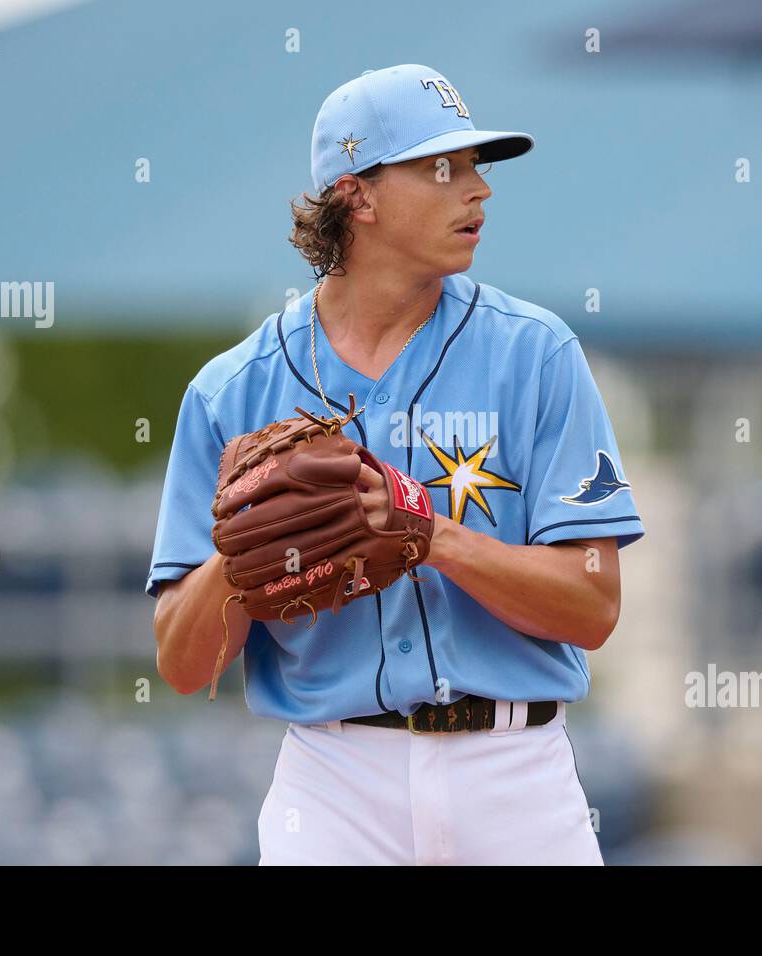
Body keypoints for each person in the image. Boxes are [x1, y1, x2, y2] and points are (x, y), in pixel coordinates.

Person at [147, 64, 645, 865]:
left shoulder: (538, 355)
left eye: (479, 167)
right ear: (358, 197)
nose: (478, 190)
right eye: (444, 168)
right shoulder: (230, 393)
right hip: (335, 781)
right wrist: (239, 559)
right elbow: (182, 664)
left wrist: (429, 532)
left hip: (515, 773)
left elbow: (592, 607)